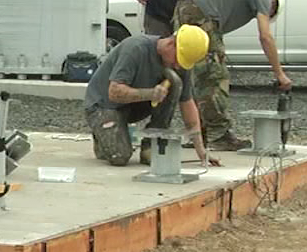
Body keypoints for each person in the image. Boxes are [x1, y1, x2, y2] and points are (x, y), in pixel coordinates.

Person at [172, 0, 292, 151]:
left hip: (184, 5)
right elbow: (265, 37)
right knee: (214, 75)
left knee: (195, 72)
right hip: (201, 10)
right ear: (272, 4)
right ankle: (219, 135)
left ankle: (199, 133)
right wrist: (279, 74)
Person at [85, 24, 219, 167]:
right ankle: (102, 136)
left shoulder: (179, 65)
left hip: (132, 106)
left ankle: (151, 145)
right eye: (177, 60)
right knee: (120, 157)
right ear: (170, 44)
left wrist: (201, 151)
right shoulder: (135, 49)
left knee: (175, 83)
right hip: (103, 106)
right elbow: (114, 92)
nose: (178, 66)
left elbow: (187, 104)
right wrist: (149, 94)